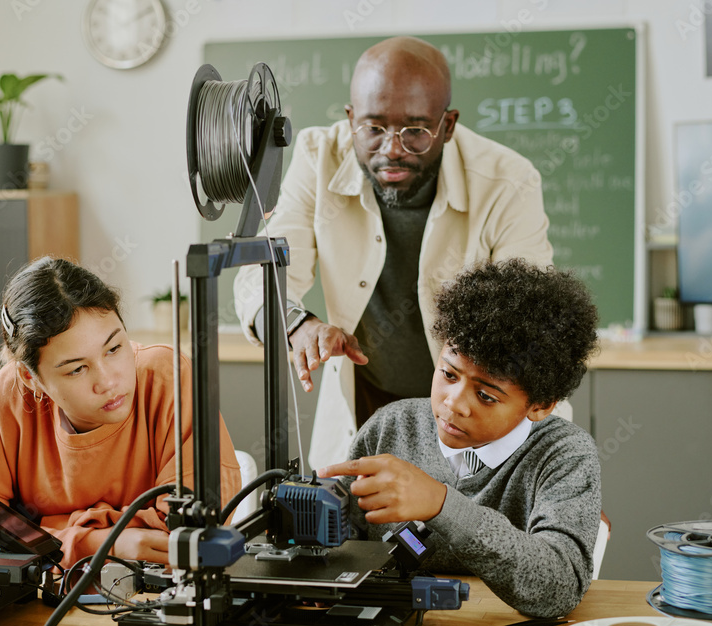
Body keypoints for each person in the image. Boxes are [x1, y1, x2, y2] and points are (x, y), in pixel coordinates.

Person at [233, 36, 553, 470]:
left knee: (468, 534)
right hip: (366, 411)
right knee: (348, 535)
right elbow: (260, 271)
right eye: (374, 128)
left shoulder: (508, 182)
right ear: (350, 120)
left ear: (449, 125)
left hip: (477, 416)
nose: (392, 149)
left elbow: (530, 325)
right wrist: (298, 325)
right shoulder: (317, 157)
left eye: (416, 130)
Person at [317, 259, 600, 618]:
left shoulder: (564, 454)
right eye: (449, 374)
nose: (453, 403)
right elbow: (338, 554)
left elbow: (559, 588)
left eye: (485, 396)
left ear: (540, 405)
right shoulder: (393, 426)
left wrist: (441, 504)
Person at [0, 257, 241, 568]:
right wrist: (101, 544)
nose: (109, 381)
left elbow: (188, 534)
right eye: (77, 369)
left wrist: (45, 532)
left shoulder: (169, 378)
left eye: (114, 348)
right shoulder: (10, 395)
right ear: (32, 378)